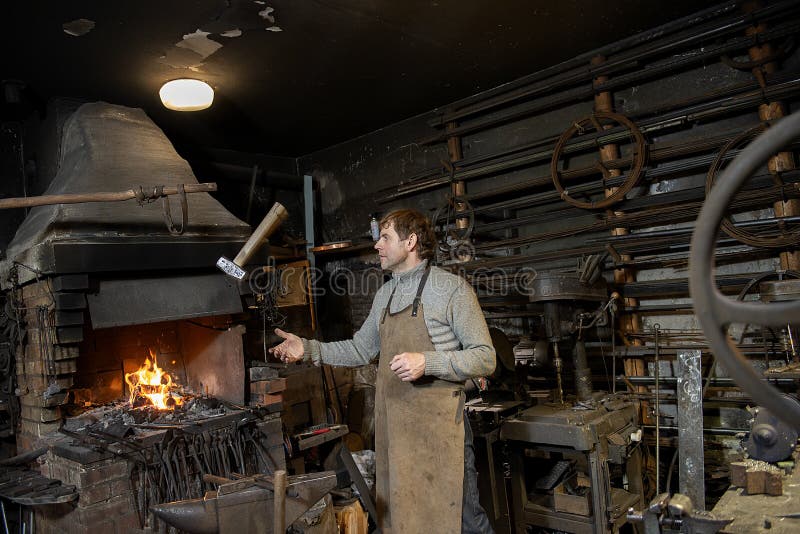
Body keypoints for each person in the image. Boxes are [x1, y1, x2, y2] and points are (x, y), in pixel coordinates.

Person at [270, 208, 496, 534]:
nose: (377, 245)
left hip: (440, 437)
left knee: (466, 523)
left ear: (411, 241)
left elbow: (485, 358)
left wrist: (427, 362)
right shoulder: (386, 295)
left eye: (385, 238)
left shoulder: (451, 290)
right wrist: (309, 348)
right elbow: (361, 349)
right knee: (407, 524)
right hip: (396, 438)